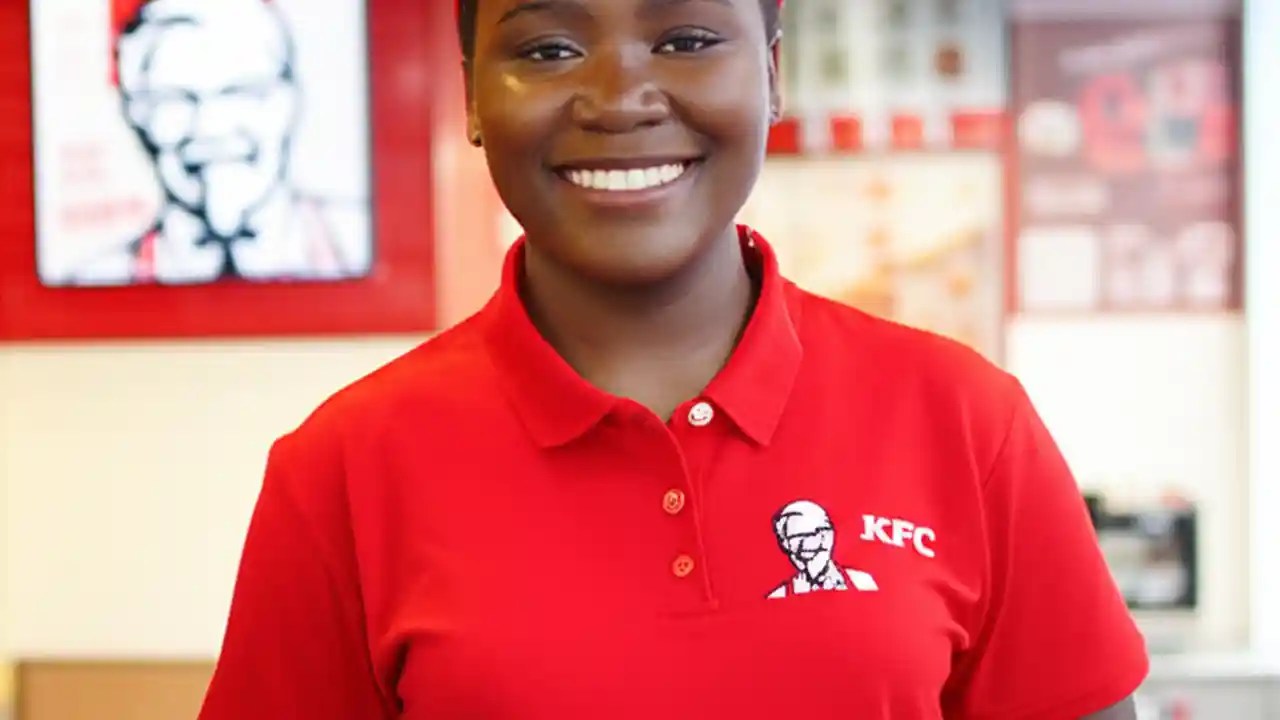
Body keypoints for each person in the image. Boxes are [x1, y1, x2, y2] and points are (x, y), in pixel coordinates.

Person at [199, 0, 1148, 718]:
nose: (619, 99)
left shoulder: (966, 419)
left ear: (773, 74)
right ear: (473, 95)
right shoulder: (344, 467)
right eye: (547, 48)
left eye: (687, 39)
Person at [68, 0, 370, 286]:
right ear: (136, 113)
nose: (210, 127)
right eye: (176, 99)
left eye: (241, 92)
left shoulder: (358, 238)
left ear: (289, 100)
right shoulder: (92, 278)